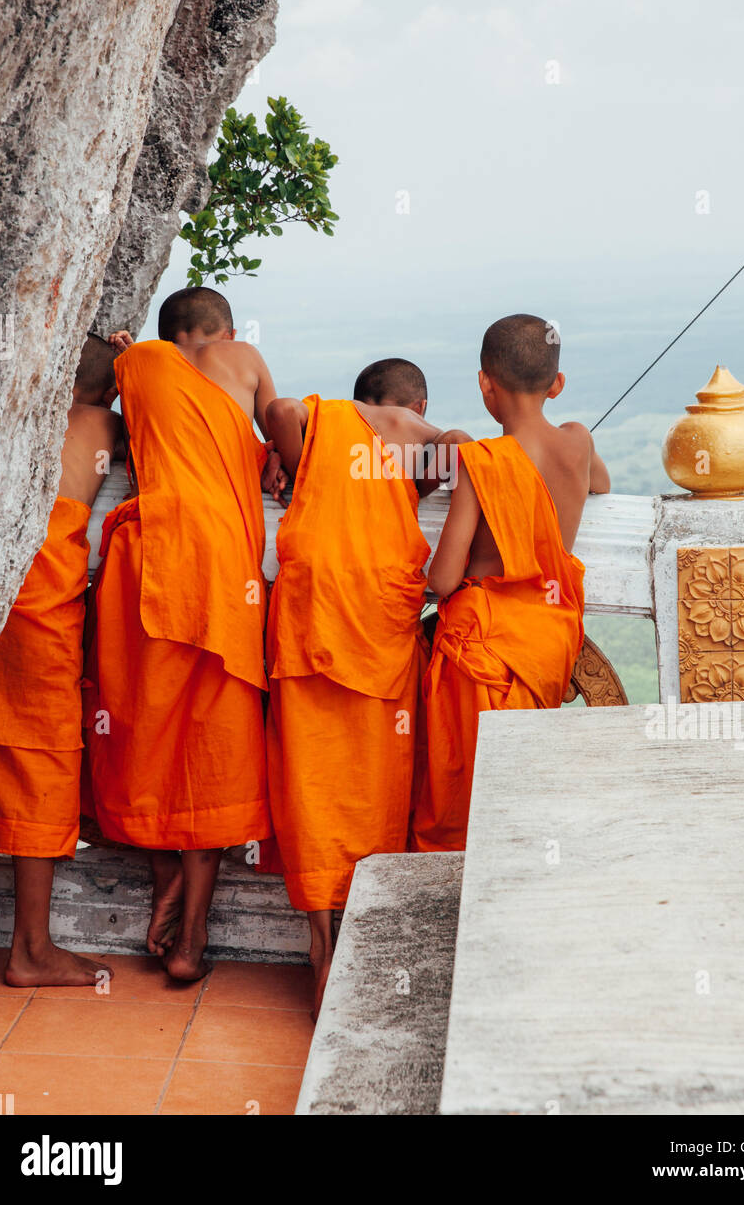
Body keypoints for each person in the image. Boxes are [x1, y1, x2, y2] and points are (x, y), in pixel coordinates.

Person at [84, 287, 278, 981]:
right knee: (213, 748)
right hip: (224, 575)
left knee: (148, 732)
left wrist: (124, 351)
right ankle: (192, 933)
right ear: (221, 329)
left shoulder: (141, 366)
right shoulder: (244, 358)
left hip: (150, 564)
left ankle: (165, 884)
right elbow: (281, 433)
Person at [262, 381, 469, 1016]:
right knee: (374, 778)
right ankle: (357, 938)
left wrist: (284, 452)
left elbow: (283, 411)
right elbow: (461, 447)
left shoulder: (327, 422)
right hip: (378, 619)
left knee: (309, 773)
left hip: (313, 608)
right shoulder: (412, 432)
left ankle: (320, 945)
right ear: (418, 404)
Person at [410, 313, 610, 853]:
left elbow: (446, 578)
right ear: (558, 384)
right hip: (547, 638)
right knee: (521, 792)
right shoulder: (578, 441)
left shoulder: (483, 461)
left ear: (484, 384)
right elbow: (602, 481)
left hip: (485, 647)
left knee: (465, 798)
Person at [0, 335, 121, 986]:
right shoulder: (105, 421)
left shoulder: (5, 417)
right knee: (43, 764)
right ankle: (31, 948)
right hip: (42, 609)